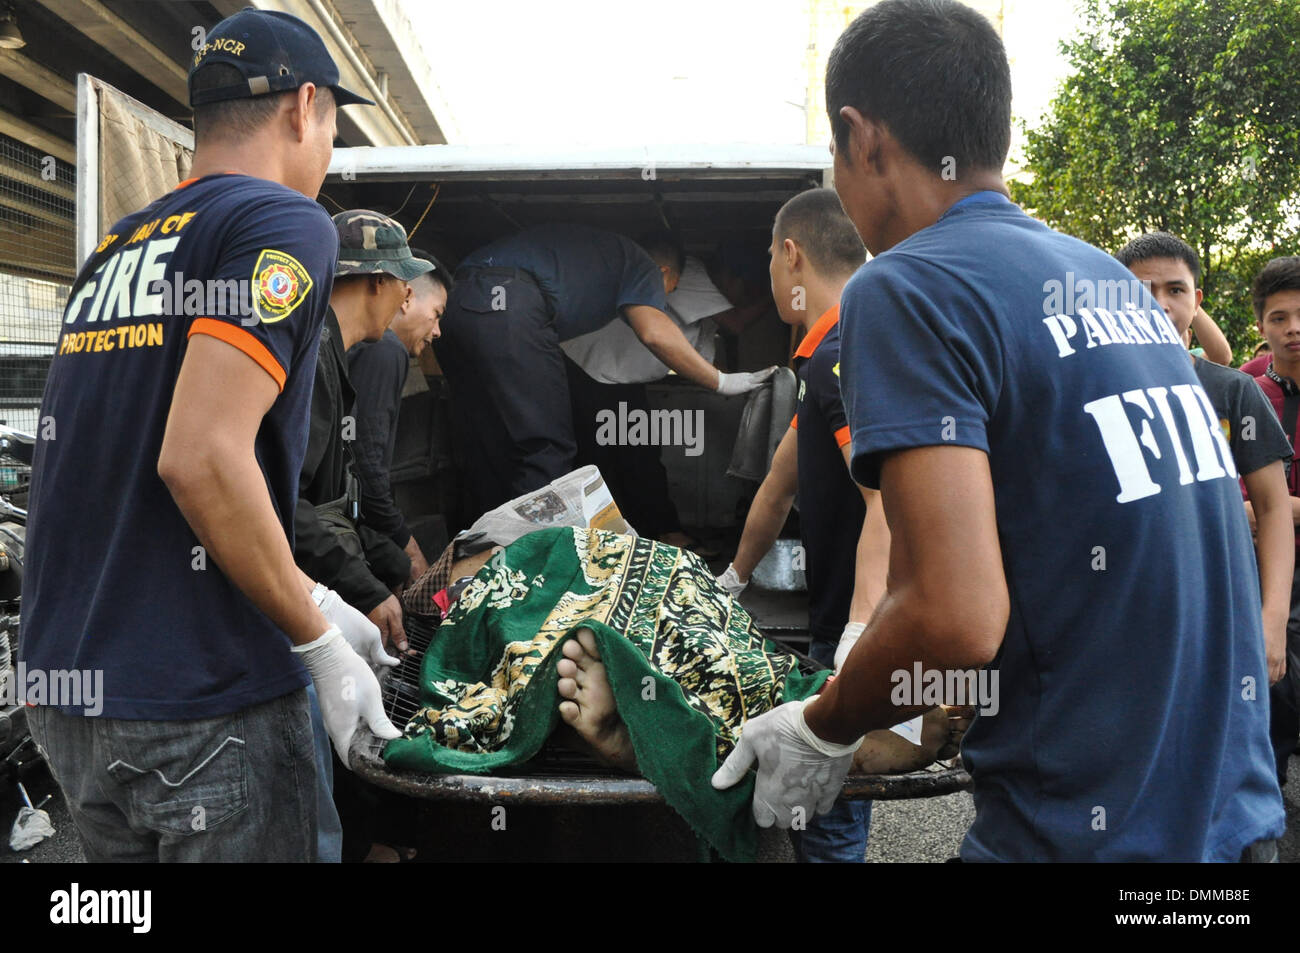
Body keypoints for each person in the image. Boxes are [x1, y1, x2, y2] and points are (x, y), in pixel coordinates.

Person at [712, 0, 1284, 862]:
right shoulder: (1104, 278)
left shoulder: (905, 288)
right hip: (1233, 834)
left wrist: (819, 724)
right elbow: (1087, 564)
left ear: (860, 137)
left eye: (835, 154)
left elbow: (954, 613)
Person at [19, 8, 397, 862]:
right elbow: (199, 457)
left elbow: (122, 473)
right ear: (306, 107)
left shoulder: (119, 246)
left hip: (73, 700)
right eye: (334, 119)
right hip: (201, 710)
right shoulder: (286, 224)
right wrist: (317, 640)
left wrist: (318, 594)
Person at [714, 188, 886, 862]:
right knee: (819, 809)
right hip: (836, 626)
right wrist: (729, 579)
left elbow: (884, 503)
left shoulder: (845, 350)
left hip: (853, 634)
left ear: (792, 255)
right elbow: (779, 485)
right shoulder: (822, 359)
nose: (768, 269)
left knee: (830, 814)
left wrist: (857, 639)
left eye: (768, 256)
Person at [434, 224, 776, 516]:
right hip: (510, 301)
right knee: (546, 448)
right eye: (667, 292)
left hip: (454, 300)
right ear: (666, 275)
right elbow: (654, 333)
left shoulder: (601, 259)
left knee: (487, 443)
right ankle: (536, 560)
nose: (663, 299)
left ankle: (479, 553)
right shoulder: (643, 265)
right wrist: (723, 382)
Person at [1116, 233, 1293, 690]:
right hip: (1125, 610)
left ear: (1196, 301)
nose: (1159, 305)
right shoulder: (1089, 391)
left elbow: (1272, 508)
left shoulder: (1233, 391)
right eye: (1140, 292)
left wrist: (1271, 622)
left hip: (1222, 603)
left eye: (1175, 290)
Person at [561, 237, 760, 546]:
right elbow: (736, 323)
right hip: (590, 368)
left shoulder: (694, 287)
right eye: (747, 289)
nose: (744, 298)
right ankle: (608, 541)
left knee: (640, 454)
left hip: (619, 375)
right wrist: (780, 297)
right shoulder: (691, 276)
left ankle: (657, 531)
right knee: (601, 460)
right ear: (731, 277)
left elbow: (697, 355)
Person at [347, 250, 451, 585]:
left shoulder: (365, 344)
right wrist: (405, 544)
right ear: (406, 299)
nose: (437, 332)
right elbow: (366, 458)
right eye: (436, 314)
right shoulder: (385, 349)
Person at [1244, 256, 1300, 784]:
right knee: (1269, 682)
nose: (1293, 329)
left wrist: (1277, 507)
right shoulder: (1248, 390)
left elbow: (1267, 505)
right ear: (1261, 326)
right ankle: (1264, 790)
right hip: (1258, 568)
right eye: (1279, 318)